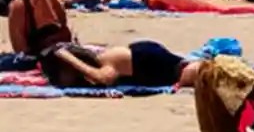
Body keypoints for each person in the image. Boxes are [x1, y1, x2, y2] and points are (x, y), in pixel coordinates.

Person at [40, 40, 200, 88]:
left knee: (205, 72)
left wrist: (69, 58)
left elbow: (104, 78)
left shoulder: (107, 61)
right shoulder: (102, 58)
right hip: (167, 64)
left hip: (180, 70)